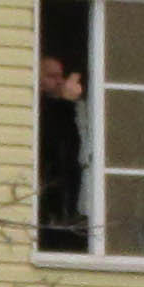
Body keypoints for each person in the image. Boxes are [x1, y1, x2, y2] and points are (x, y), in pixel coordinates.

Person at [38, 48, 90, 252]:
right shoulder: (43, 108)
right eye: (51, 76)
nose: (59, 82)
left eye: (61, 76)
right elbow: (54, 141)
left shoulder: (66, 109)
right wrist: (66, 104)